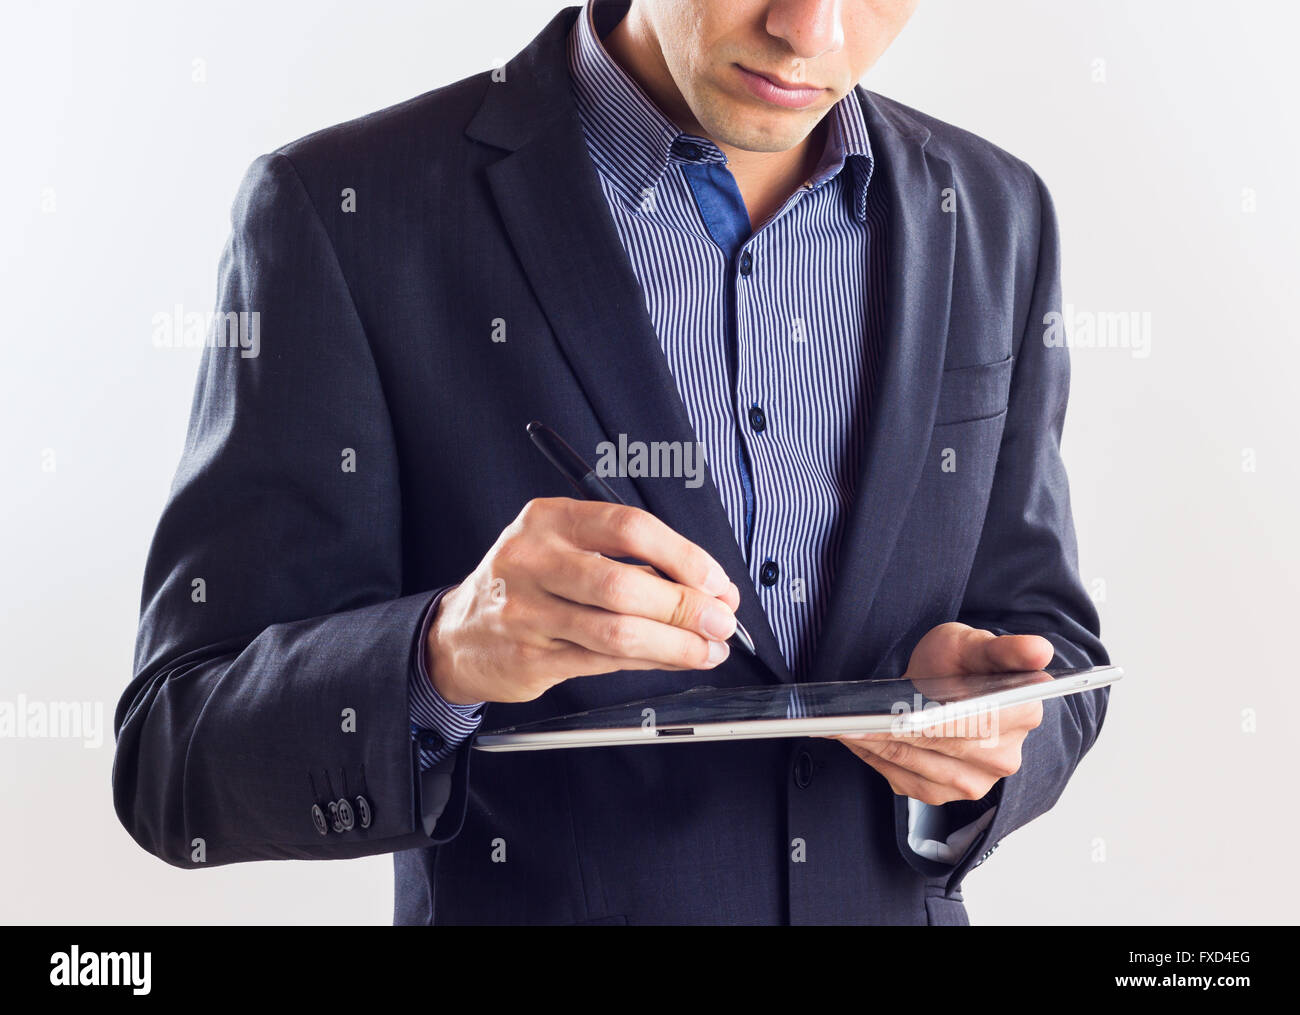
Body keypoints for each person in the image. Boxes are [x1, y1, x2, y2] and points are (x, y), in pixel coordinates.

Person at [114, 0, 1110, 925]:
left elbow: (1052, 641)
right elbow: (175, 756)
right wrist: (443, 655)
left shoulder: (994, 213)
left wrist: (983, 739)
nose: (808, 29)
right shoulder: (346, 212)